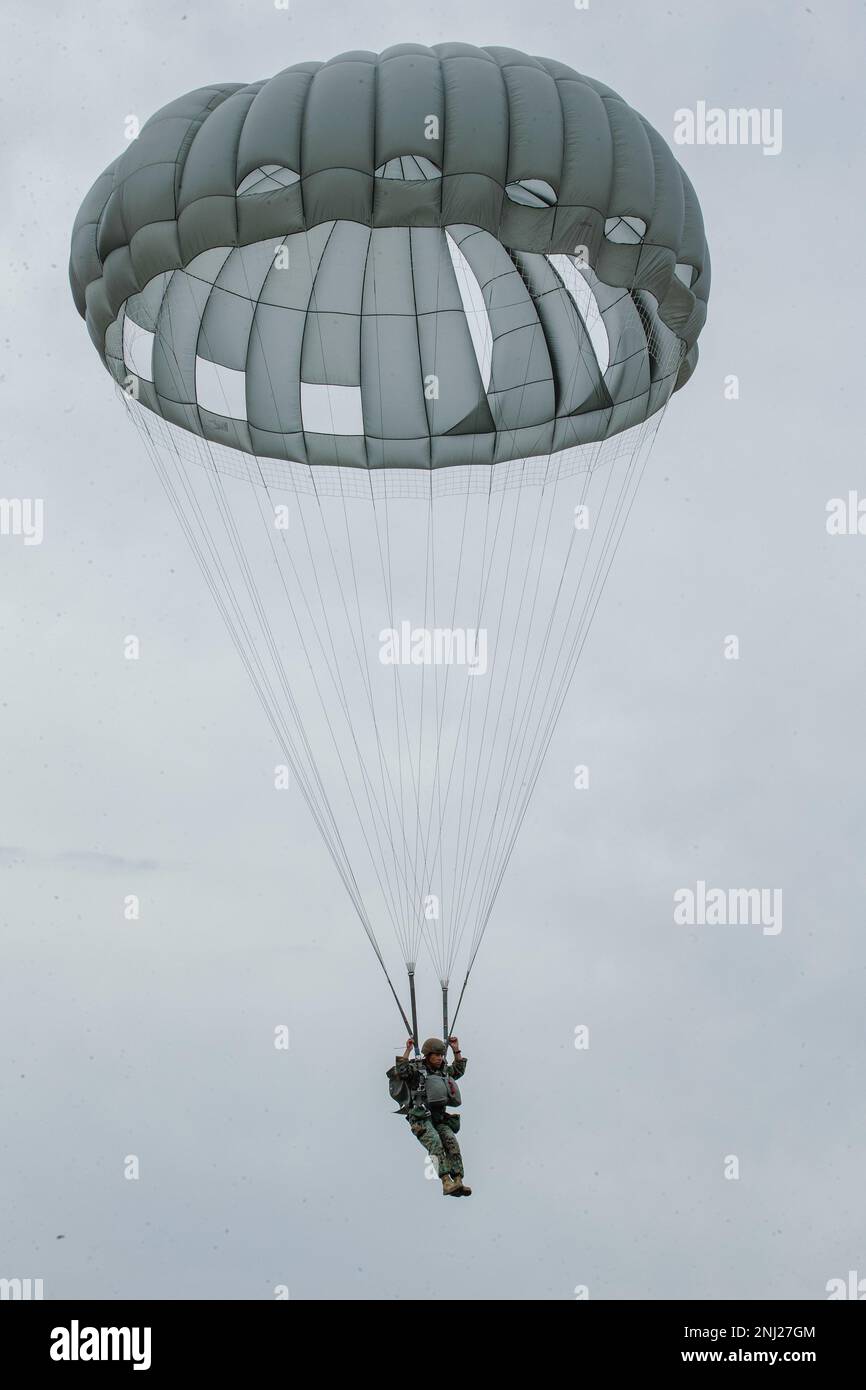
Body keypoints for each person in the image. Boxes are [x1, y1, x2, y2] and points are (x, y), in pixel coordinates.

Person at [387, 1036, 472, 1197]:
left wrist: (456, 1050)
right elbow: (402, 1070)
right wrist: (408, 1050)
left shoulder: (443, 1071)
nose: (440, 1058)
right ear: (428, 1055)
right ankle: (446, 1181)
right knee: (435, 1143)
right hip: (420, 1118)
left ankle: (458, 1180)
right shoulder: (417, 1071)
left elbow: (458, 1070)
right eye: (436, 1055)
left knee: (452, 1143)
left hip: (439, 1117)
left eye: (441, 1055)